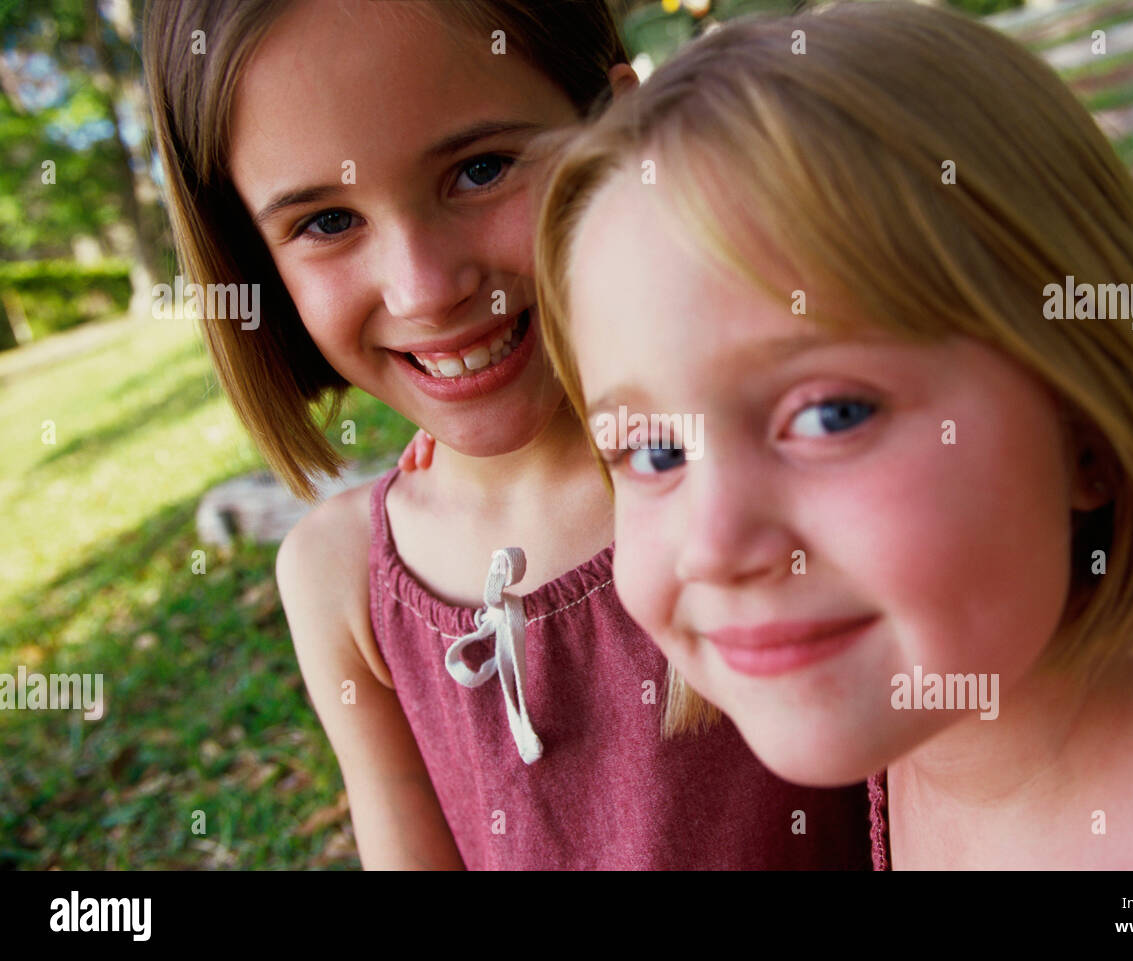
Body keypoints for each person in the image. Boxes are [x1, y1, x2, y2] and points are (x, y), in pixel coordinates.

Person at [533, 0, 1133, 867]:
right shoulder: (915, 749)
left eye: (831, 414)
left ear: (1089, 430)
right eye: (654, 450)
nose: (715, 545)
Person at [143, 0, 871, 869]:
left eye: (481, 169)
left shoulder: (786, 455)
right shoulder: (337, 577)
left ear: (621, 128)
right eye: (328, 222)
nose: (424, 289)